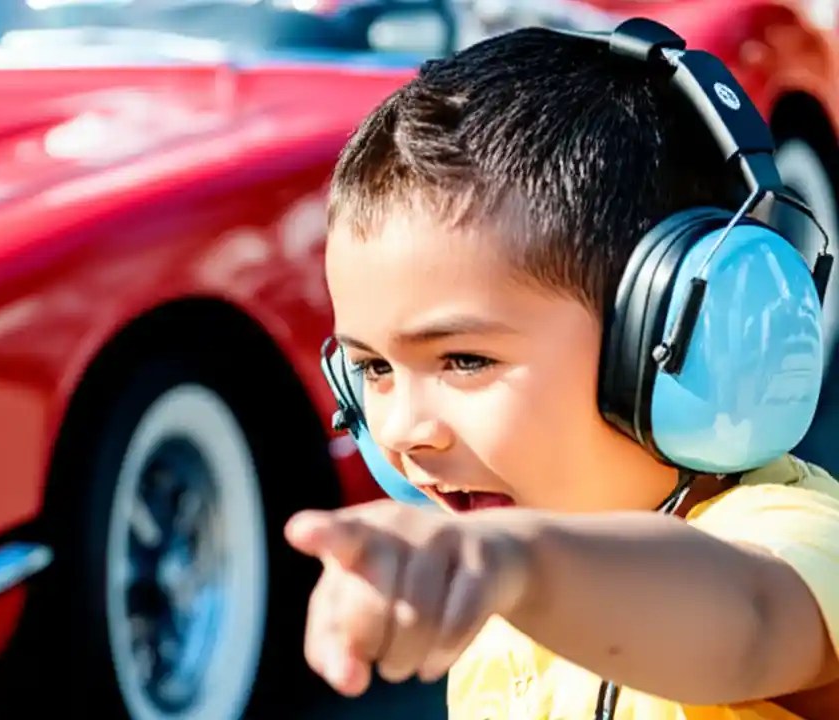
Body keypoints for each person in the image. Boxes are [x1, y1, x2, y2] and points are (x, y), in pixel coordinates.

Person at [285, 19, 839, 720]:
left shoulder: (792, 540)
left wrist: (514, 563)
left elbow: (751, 620)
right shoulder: (501, 624)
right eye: (372, 367)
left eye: (464, 360)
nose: (399, 429)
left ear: (680, 338)